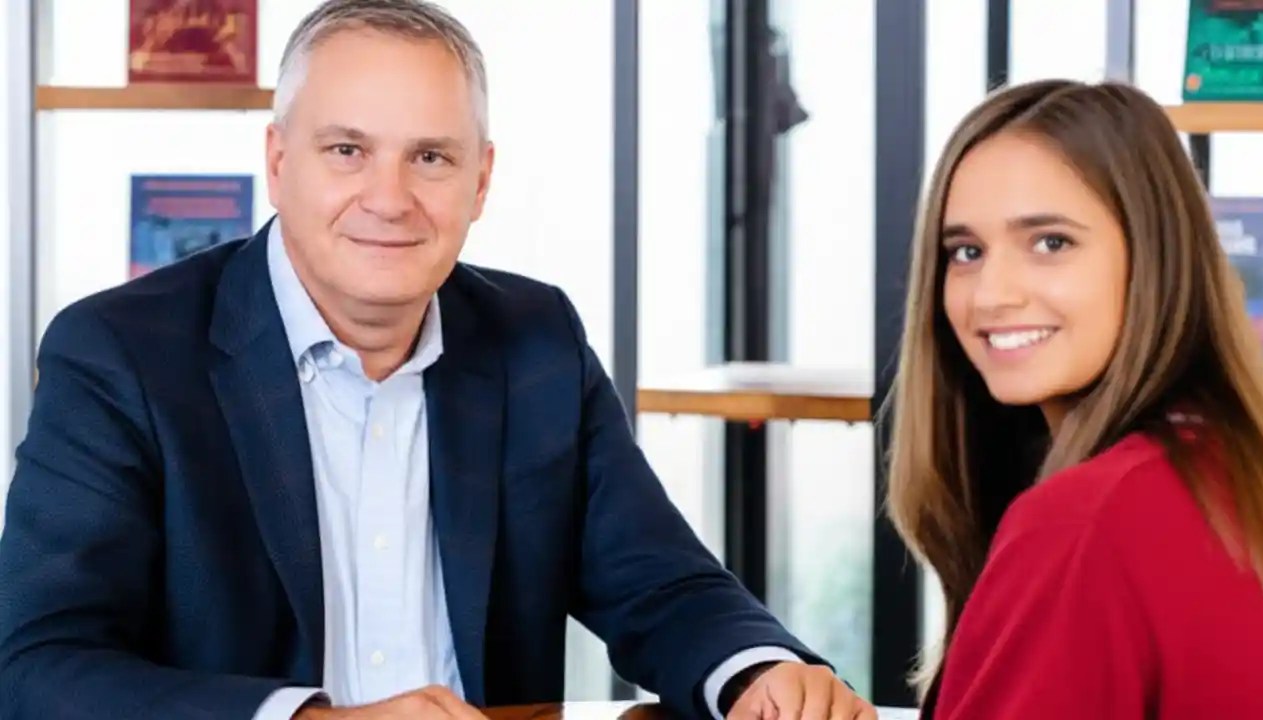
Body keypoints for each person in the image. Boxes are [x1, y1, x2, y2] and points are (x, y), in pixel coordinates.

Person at [0, 2, 877, 719]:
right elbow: (38, 663)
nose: (389, 199)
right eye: (347, 151)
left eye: (430, 157)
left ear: (480, 181)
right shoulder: (122, 354)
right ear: (277, 161)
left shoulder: (535, 336)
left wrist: (755, 671)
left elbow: (658, 581)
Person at [883, 77, 1263, 719]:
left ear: (1154, 257)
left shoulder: (1086, 520)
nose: (991, 295)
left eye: (1050, 243)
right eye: (965, 252)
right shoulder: (1237, 472)